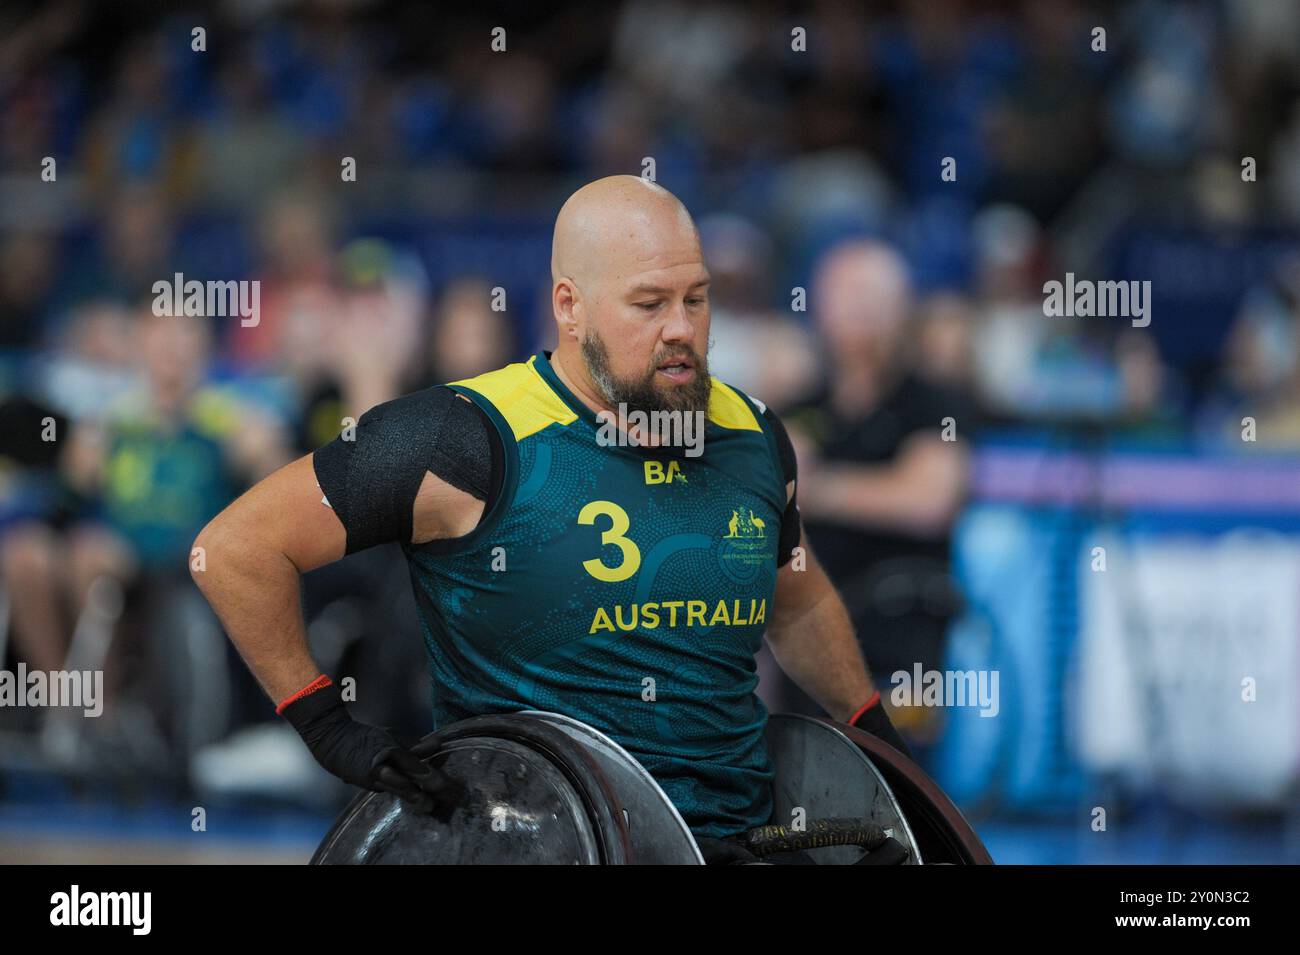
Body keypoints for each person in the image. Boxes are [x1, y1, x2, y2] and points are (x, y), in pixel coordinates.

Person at [190, 175, 909, 863]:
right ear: (570, 306)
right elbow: (234, 549)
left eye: (697, 298)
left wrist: (876, 739)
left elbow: (798, 596)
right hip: (536, 842)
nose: (681, 329)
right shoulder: (461, 438)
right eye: (649, 303)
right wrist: (327, 728)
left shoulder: (751, 433)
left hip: (734, 845)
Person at [778, 240, 970, 759]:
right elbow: (772, 492)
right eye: (844, 295)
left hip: (903, 630)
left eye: (871, 296)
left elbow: (928, 501)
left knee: (898, 780)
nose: (858, 312)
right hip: (807, 629)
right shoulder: (802, 406)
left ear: (902, 308)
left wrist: (825, 489)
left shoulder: (933, 403)